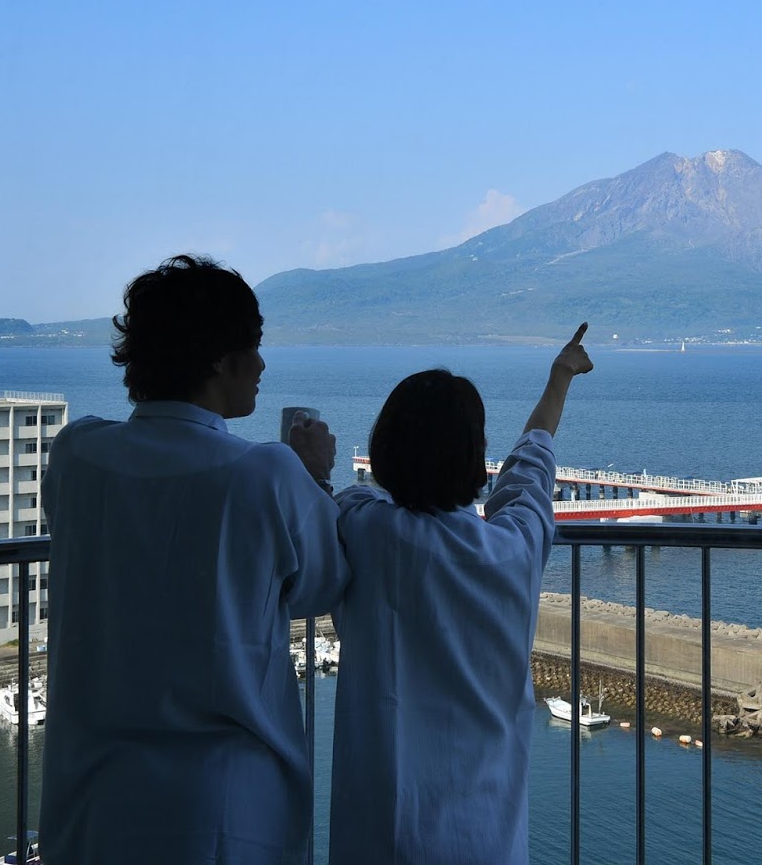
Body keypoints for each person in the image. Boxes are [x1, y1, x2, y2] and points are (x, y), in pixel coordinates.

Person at [39, 254, 350, 865]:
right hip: (225, 805)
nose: (261, 364)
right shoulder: (266, 473)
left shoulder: (78, 454)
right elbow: (323, 584)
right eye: (252, 347)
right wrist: (315, 479)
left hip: (93, 800)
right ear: (217, 358)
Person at [328, 322, 595, 865]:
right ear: (474, 458)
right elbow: (529, 469)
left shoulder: (366, 530)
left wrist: (307, 467)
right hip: (487, 839)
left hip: (379, 837)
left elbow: (329, 505)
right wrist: (560, 377)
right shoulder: (514, 548)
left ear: (384, 451)